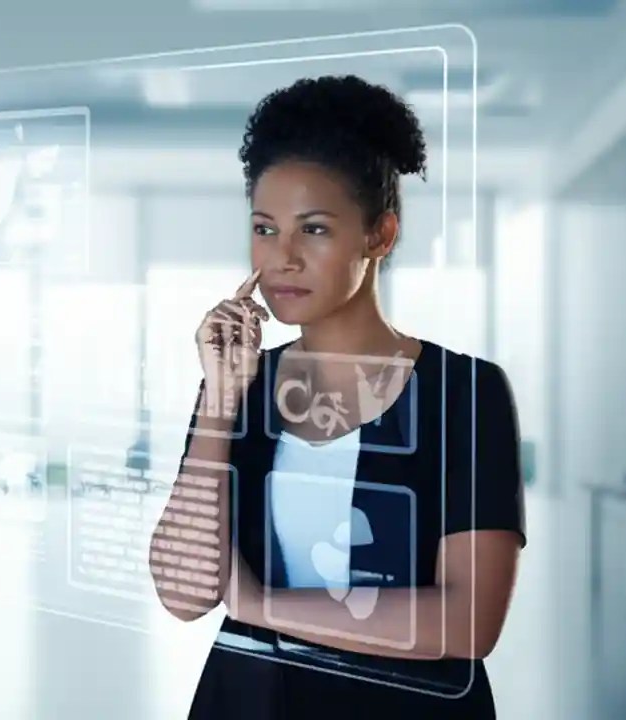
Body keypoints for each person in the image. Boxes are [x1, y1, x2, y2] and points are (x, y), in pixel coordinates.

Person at [149, 75, 526, 718]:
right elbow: (185, 594)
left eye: (314, 230)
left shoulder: (466, 392)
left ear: (380, 235)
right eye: (265, 229)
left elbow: (468, 622)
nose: (284, 257)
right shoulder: (240, 388)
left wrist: (257, 604)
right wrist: (219, 400)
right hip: (251, 701)